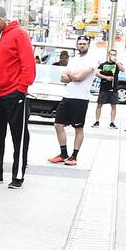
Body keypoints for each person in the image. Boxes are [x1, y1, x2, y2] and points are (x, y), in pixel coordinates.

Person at [0, 5, 36, 189]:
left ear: (5, 19)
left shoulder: (19, 34)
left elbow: (28, 63)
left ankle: (18, 175)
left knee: (18, 136)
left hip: (14, 93)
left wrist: (22, 88)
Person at [47, 34, 94, 166]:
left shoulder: (92, 60)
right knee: (58, 124)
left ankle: (74, 156)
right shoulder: (73, 59)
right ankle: (63, 154)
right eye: (79, 44)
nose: (82, 46)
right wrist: (74, 75)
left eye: (84, 44)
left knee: (78, 128)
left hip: (81, 98)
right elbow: (62, 78)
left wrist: (72, 75)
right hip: (67, 96)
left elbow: (80, 78)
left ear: (88, 45)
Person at [92, 49, 124, 128]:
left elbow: (123, 69)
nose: (113, 56)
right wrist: (106, 77)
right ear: (108, 55)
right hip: (104, 87)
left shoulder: (117, 64)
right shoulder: (103, 64)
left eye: (114, 54)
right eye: (111, 54)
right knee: (99, 104)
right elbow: (97, 73)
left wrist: (116, 62)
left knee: (113, 105)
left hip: (114, 88)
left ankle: (112, 122)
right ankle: (97, 121)